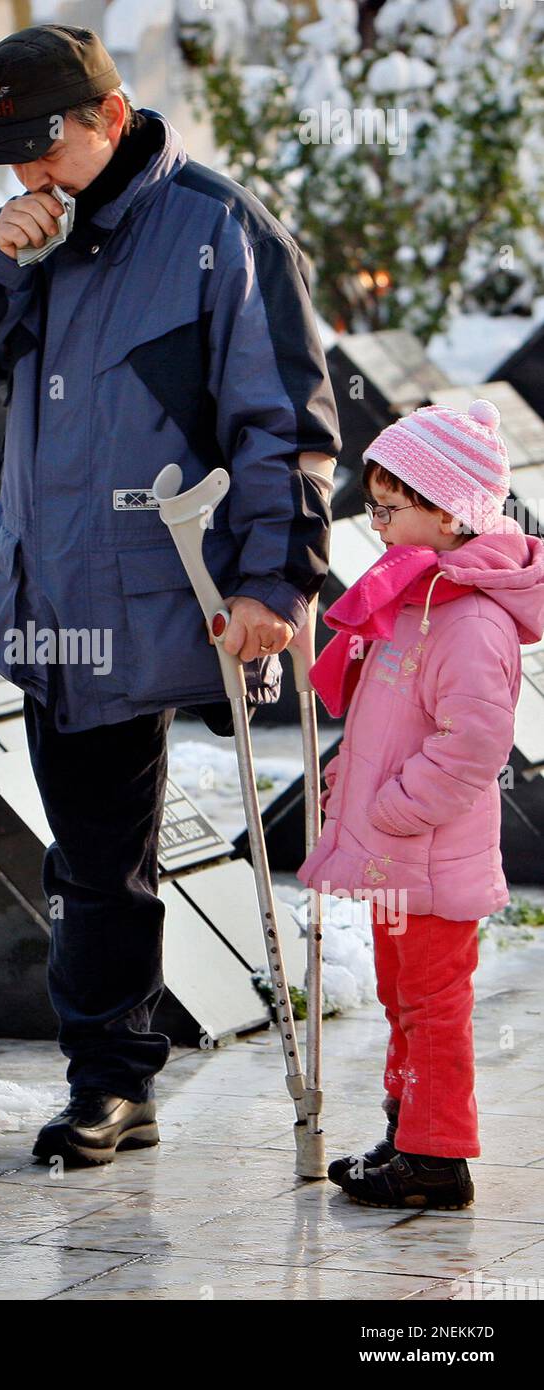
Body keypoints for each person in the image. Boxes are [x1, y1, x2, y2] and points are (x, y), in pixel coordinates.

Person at [0, 24, 340, 1167]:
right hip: (51, 593)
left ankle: (114, 1074)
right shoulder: (25, 240)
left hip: (173, 586)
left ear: (108, 115)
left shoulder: (217, 230)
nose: (27, 176)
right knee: (91, 853)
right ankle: (111, 1078)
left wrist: (272, 579)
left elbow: (282, 425)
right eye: (9, 157)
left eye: (43, 147)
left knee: (104, 853)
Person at [298, 398, 544, 1209]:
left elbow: (472, 742)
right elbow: (392, 720)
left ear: (447, 513)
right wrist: (355, 785)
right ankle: (407, 1133)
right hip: (398, 854)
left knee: (434, 1006)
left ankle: (437, 1159)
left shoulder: (469, 619)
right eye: (371, 506)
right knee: (404, 1001)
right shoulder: (418, 598)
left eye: (389, 508)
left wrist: (396, 807)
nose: (375, 524)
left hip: (429, 855)